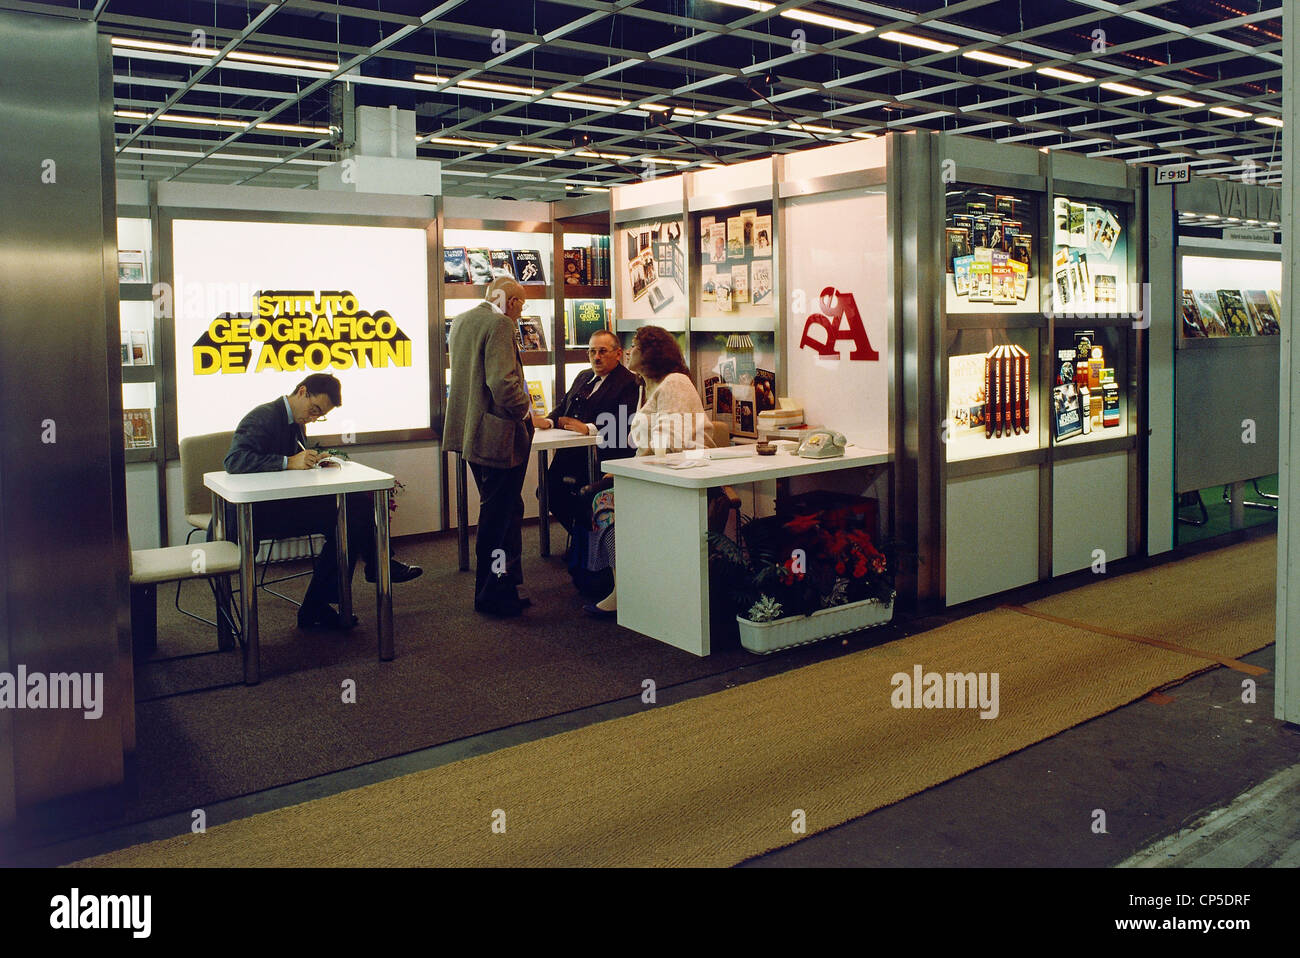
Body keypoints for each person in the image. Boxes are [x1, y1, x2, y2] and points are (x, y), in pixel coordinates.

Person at [221, 373, 422, 631]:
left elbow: (290, 466)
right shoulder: (263, 416)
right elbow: (235, 461)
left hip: (279, 504)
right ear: (302, 391)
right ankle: (373, 567)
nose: (314, 418)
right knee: (352, 513)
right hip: (256, 513)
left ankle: (322, 604)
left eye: (320, 416)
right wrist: (288, 462)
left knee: (351, 514)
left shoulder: (296, 422)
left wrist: (313, 461)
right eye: (314, 410)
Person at [584, 325, 711, 618]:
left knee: (604, 503)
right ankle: (624, 585)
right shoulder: (649, 386)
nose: (629, 351)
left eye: (635, 347)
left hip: (677, 479)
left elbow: (670, 445)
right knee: (601, 500)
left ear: (650, 353)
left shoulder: (674, 384)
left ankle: (624, 589)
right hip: (658, 474)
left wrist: (630, 472)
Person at [444, 276, 534, 617]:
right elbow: (502, 382)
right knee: (498, 518)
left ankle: (503, 585)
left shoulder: (464, 320)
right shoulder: (499, 325)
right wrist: (525, 409)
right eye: (521, 306)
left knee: (503, 510)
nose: (521, 313)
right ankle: (491, 592)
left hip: (470, 432)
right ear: (510, 301)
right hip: (497, 437)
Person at [532, 329, 640, 533]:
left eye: (602, 351)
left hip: (603, 455)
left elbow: (625, 421)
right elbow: (564, 406)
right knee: (546, 491)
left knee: (583, 495)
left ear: (618, 354)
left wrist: (589, 428)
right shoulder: (583, 376)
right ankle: (581, 541)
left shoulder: (629, 382)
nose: (596, 357)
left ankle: (586, 547)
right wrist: (547, 420)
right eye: (592, 352)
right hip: (571, 453)